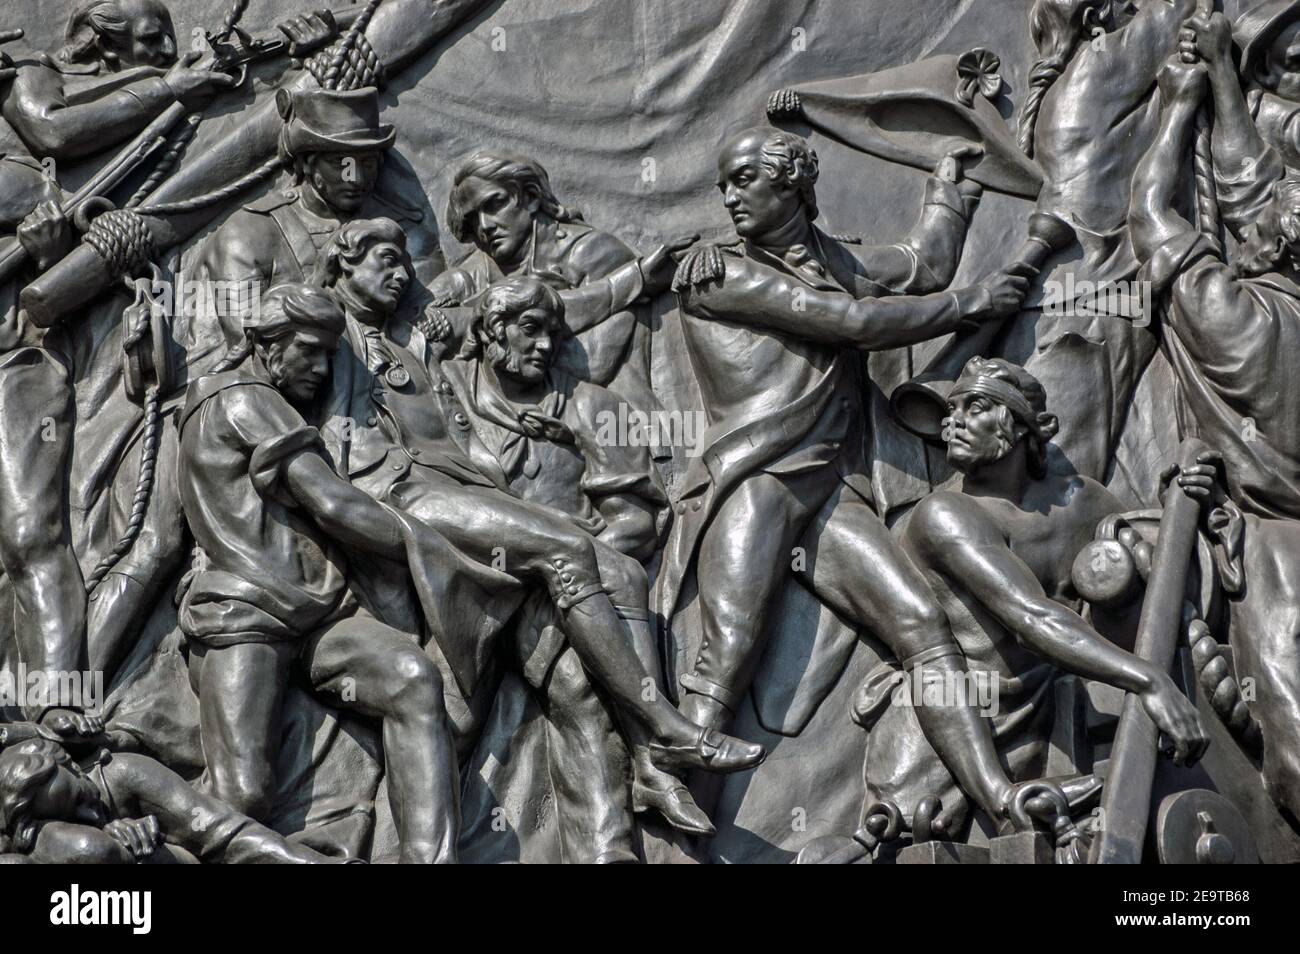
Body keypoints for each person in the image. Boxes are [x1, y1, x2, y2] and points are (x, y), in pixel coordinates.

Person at [660, 125, 1037, 825]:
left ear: (794, 184)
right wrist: (974, 305)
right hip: (757, 483)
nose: (728, 197)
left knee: (923, 624)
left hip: (830, 495)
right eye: (722, 185)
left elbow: (922, 269)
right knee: (728, 655)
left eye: (742, 179)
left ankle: (1002, 797)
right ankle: (671, 829)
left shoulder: (833, 258)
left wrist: (951, 189)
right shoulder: (719, 273)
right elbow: (852, 321)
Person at [177, 283, 468, 863]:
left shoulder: (253, 402)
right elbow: (334, 503)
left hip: (318, 616)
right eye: (309, 350)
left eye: (331, 352)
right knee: (241, 793)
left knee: (412, 679)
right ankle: (126, 824)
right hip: (246, 615)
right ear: (267, 343)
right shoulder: (244, 399)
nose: (322, 366)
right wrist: (432, 546)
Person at [867, 356, 1208, 835]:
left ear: (1024, 426)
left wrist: (1183, 502)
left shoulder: (1082, 501)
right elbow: (1031, 619)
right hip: (961, 724)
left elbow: (1150, 572)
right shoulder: (944, 514)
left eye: (975, 406)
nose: (953, 422)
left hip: (1059, 717)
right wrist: (1148, 680)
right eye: (952, 410)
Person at [444, 273, 712, 852]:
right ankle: (656, 748)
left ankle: (608, 847)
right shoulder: (447, 397)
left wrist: (589, 546)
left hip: (568, 594)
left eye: (553, 333)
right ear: (491, 334)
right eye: (529, 329)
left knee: (576, 684)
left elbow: (636, 519)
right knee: (446, 721)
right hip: (470, 586)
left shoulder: (593, 407)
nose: (544, 344)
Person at [1129, 55, 1300, 823]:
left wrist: (1176, 107)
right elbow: (1254, 187)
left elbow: (1149, 213)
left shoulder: (1238, 320)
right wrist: (1226, 89)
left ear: (1263, 243)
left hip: (1276, 551)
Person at [0, 730, 342, 864]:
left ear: (74, 767)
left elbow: (226, 835)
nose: (91, 817)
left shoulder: (124, 774)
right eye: (67, 816)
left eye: (80, 800)